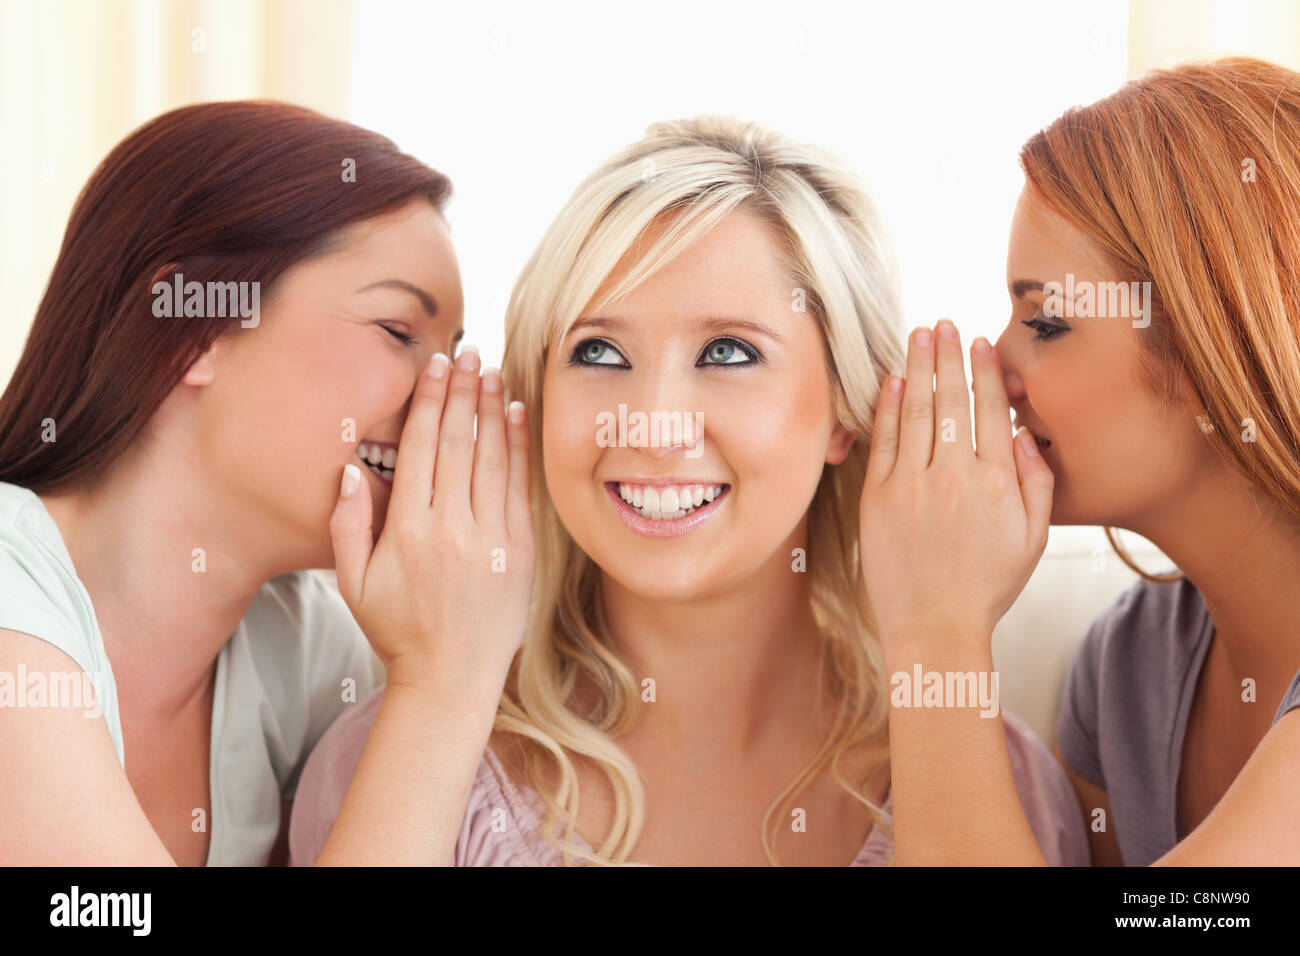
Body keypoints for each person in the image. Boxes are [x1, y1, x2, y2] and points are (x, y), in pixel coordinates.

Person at [290, 115, 1089, 866]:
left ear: (847, 413)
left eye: (729, 352)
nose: (653, 427)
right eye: (599, 353)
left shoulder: (989, 786)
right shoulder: (394, 763)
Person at [0, 100, 534, 865]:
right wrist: (442, 686)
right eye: (397, 331)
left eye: (454, 349)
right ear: (192, 330)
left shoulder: (306, 651)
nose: (445, 398)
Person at [861, 57, 1300, 865]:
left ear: (1218, 344)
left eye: (1048, 323)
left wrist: (935, 632)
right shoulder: (1125, 672)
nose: (996, 367)